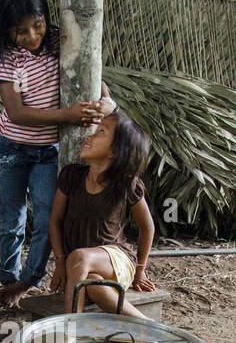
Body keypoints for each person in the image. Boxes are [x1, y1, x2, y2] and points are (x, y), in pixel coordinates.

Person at [0, 0, 112, 307]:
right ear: (6, 30)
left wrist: (105, 104)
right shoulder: (6, 58)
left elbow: (96, 83)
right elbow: (16, 113)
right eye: (20, 31)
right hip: (11, 150)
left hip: (48, 154)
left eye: (37, 25)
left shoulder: (62, 41)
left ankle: (27, 281)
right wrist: (68, 115)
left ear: (46, 17)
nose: (31, 36)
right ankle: (8, 277)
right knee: (12, 218)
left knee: (46, 217)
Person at [48, 110, 156, 319]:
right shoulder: (71, 176)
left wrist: (140, 269)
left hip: (116, 259)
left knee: (80, 257)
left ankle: (71, 330)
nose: (90, 136)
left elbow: (147, 227)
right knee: (92, 284)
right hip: (79, 267)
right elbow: (55, 220)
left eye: (101, 132)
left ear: (114, 151)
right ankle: (147, 324)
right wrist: (60, 263)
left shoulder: (127, 184)